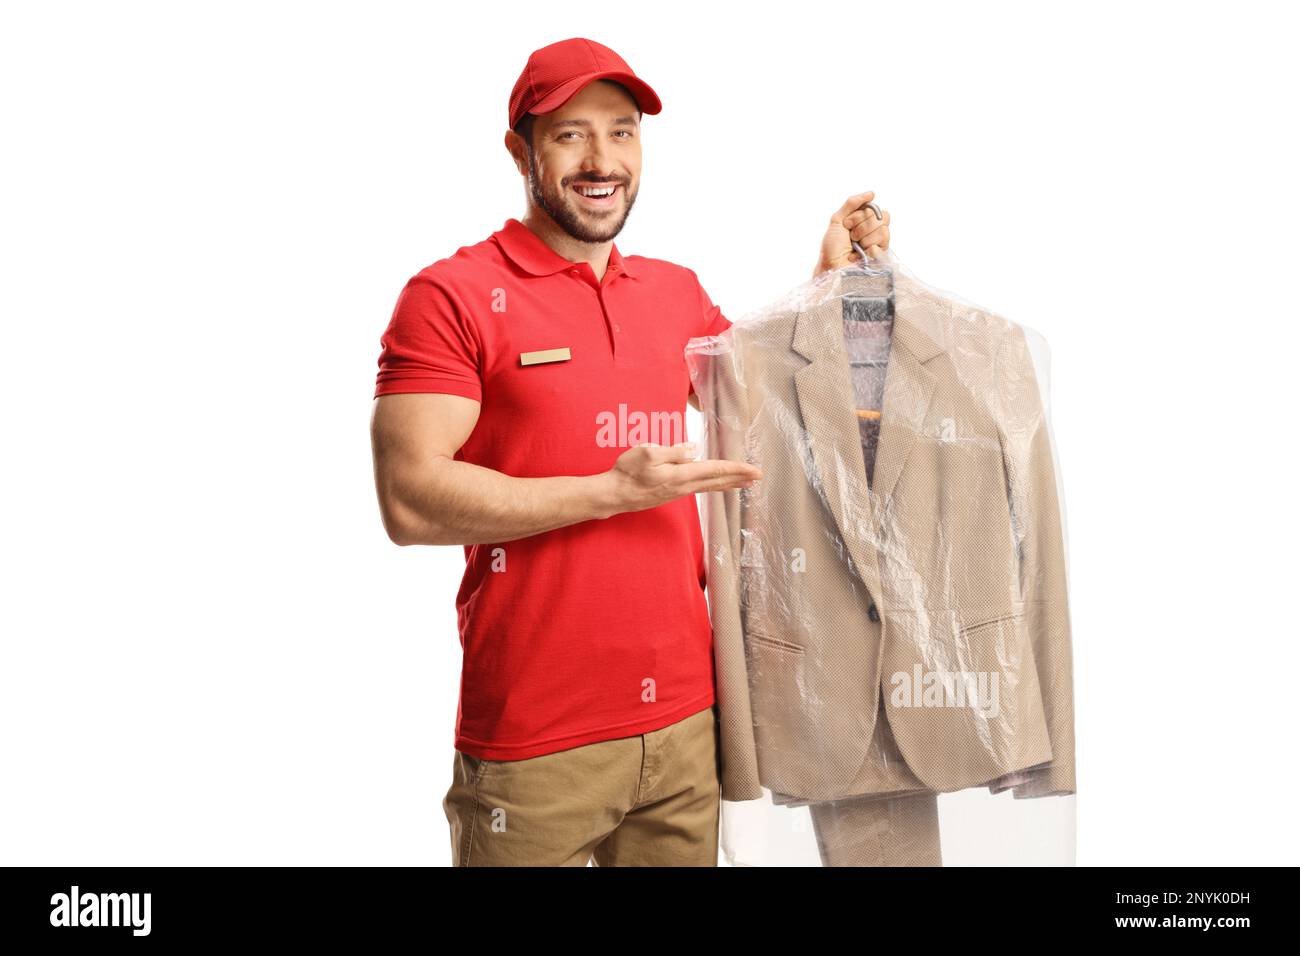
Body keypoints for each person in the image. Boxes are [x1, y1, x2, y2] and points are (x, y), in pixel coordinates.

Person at [370, 36, 891, 866]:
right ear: (521, 151)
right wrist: (607, 492)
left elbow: (769, 403)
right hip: (534, 741)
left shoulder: (674, 291)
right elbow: (409, 499)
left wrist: (825, 283)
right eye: (570, 134)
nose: (600, 158)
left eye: (621, 131)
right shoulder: (452, 295)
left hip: (687, 724)